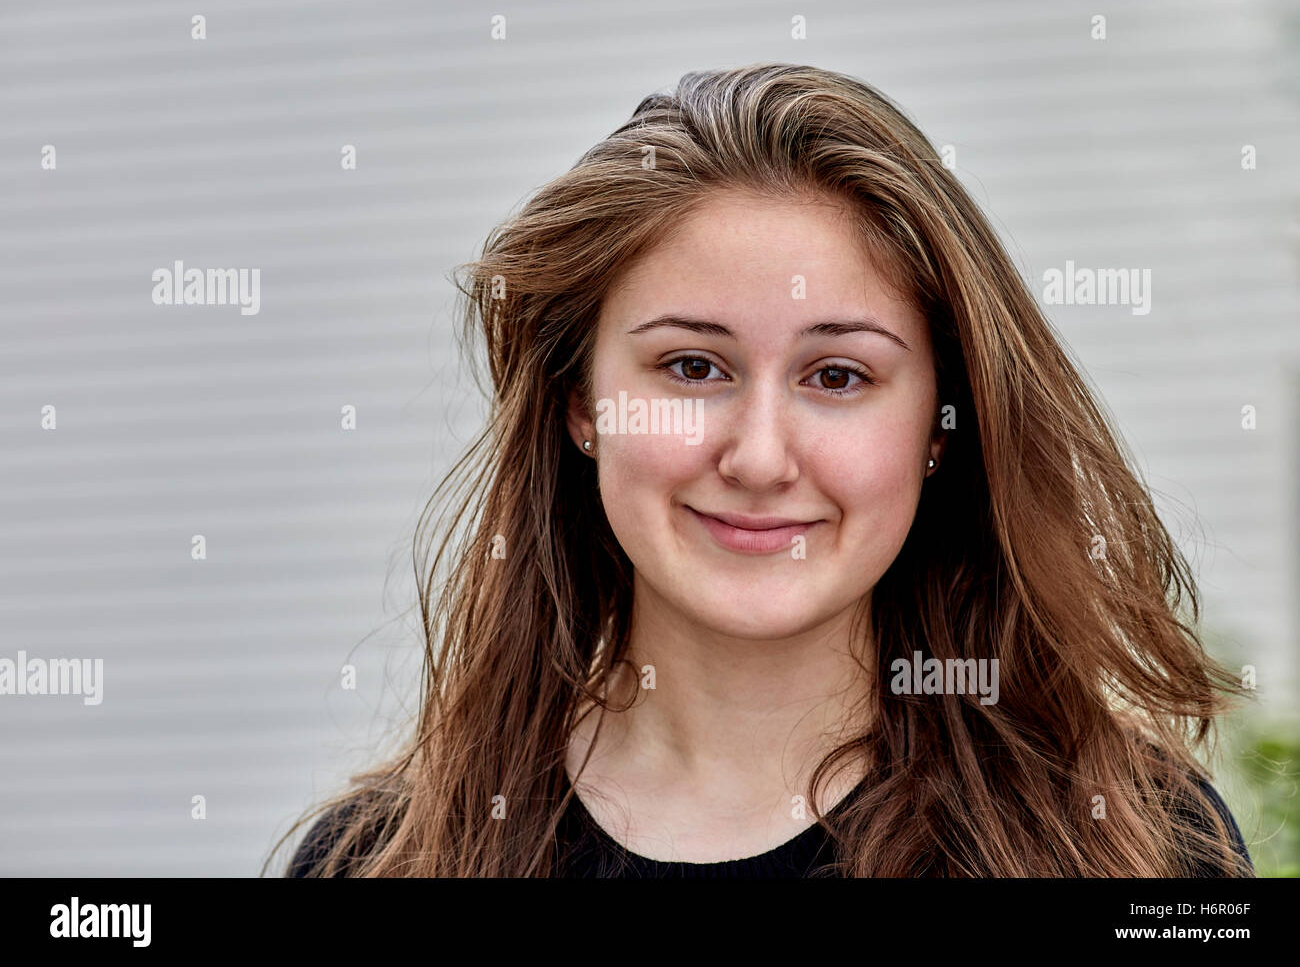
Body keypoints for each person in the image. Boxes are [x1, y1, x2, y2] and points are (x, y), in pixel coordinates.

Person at [273, 62, 1255, 878]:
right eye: (692, 366)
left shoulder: (1140, 847)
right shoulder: (376, 860)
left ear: (939, 426)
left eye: (837, 375)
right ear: (581, 403)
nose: (756, 455)